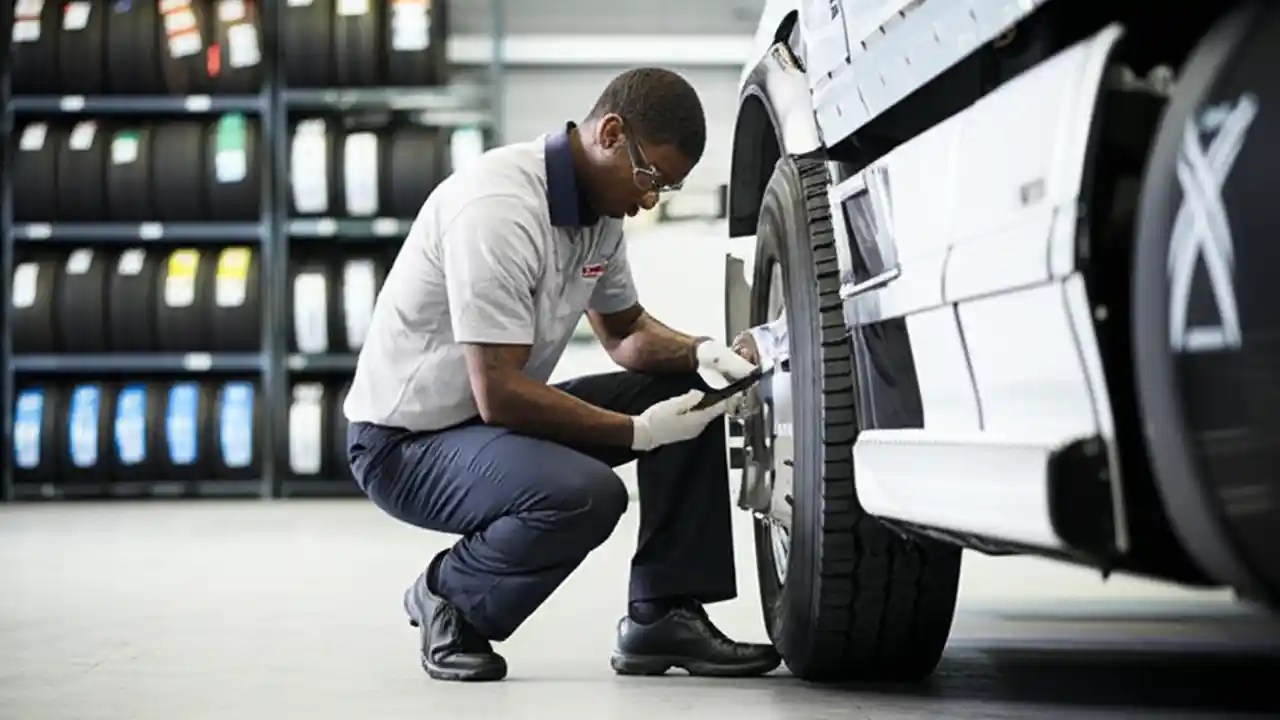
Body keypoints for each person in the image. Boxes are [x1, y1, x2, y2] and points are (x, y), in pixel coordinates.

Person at [343, 67, 781, 682]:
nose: (652, 199)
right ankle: (451, 597)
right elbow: (498, 392)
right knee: (583, 495)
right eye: (651, 178)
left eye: (668, 188)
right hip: (406, 445)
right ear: (609, 132)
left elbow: (625, 333)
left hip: (485, 425)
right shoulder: (499, 210)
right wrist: (638, 433)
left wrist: (703, 354)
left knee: (695, 396)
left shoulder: (601, 212)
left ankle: (662, 616)